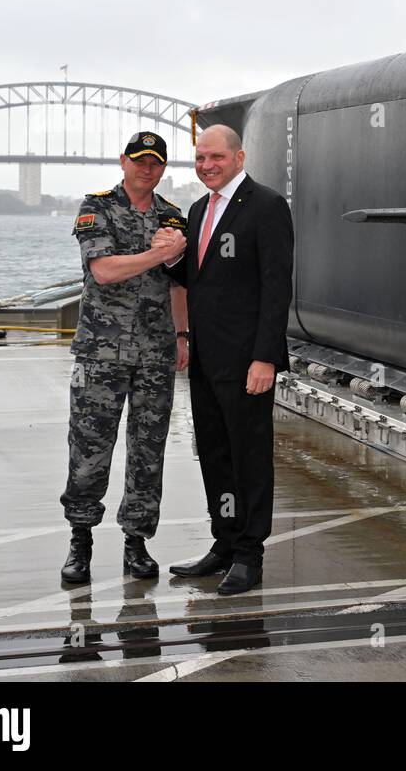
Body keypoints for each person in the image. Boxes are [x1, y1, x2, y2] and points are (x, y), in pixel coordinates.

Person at [159, 124, 293, 595]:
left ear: (239, 157)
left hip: (246, 361)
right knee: (214, 453)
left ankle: (250, 554)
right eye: (199, 158)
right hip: (206, 357)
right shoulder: (198, 210)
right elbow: (201, 279)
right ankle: (224, 540)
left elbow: (277, 289)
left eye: (216, 156)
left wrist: (265, 359)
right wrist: (170, 256)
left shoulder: (267, 206)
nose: (206, 165)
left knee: (249, 455)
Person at [59, 132, 189, 585]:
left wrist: (183, 336)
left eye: (154, 162)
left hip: (156, 353)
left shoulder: (172, 216)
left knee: (147, 451)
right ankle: (81, 540)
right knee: (90, 448)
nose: (146, 168)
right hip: (101, 353)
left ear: (163, 168)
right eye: (139, 160)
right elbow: (104, 270)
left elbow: (177, 285)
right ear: (123, 162)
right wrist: (157, 252)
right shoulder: (96, 207)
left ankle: (137, 542)